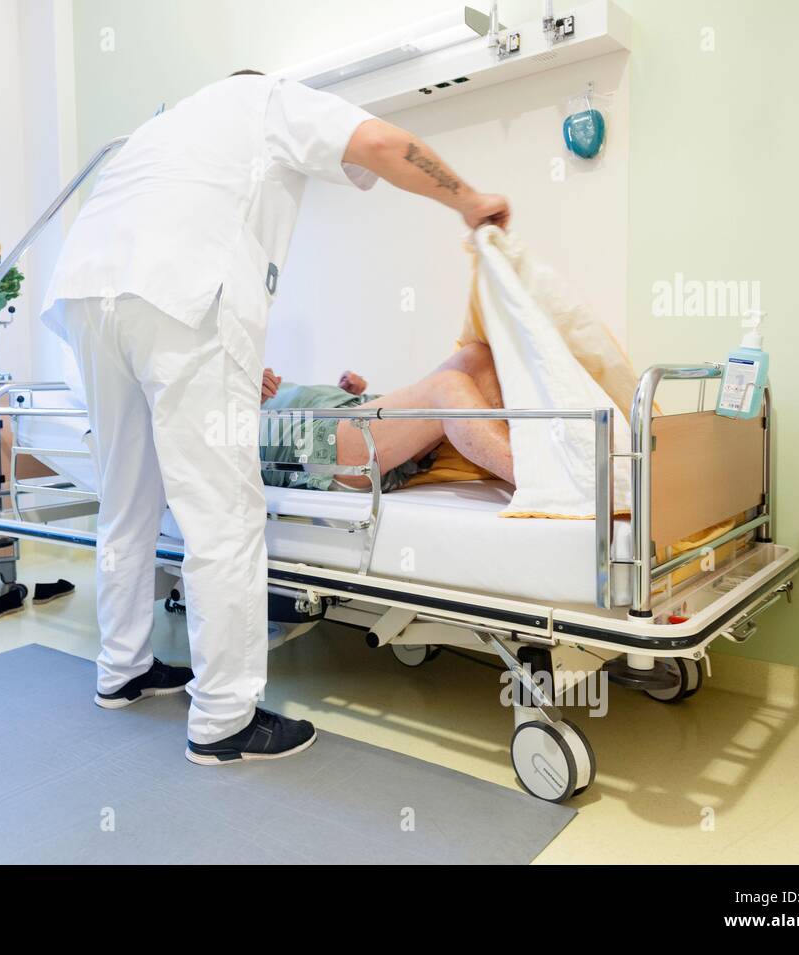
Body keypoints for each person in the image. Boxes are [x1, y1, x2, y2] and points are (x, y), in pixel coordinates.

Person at [40, 69, 510, 766]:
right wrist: (470, 199)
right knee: (222, 511)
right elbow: (380, 140)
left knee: (127, 500)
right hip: (179, 294)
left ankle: (122, 670)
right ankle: (224, 718)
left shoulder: (163, 128)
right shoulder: (268, 98)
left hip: (87, 291)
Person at [259, 341, 514, 492]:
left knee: (476, 356)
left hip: (343, 414)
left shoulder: (249, 378)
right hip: (313, 446)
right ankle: (540, 483)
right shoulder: (224, 406)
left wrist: (340, 393)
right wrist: (243, 401)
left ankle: (528, 452)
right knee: (447, 388)